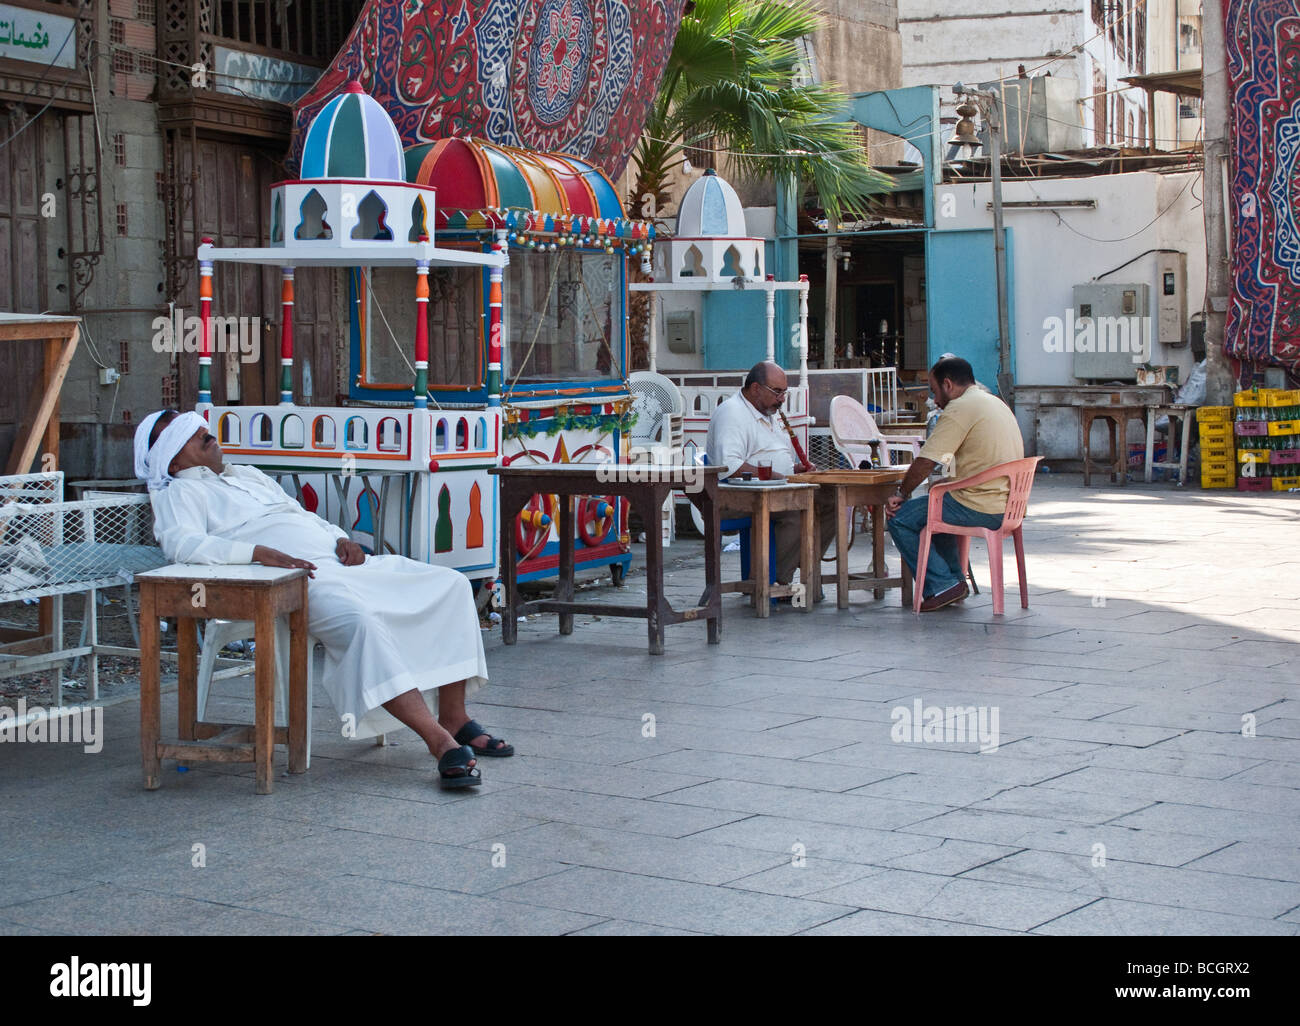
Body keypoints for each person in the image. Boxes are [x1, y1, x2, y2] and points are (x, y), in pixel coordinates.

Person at [134, 408, 514, 789]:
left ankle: (455, 716)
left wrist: (340, 537)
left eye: (200, 427)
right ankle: (439, 741)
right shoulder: (180, 491)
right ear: (168, 455)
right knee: (360, 622)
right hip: (295, 579)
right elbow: (180, 544)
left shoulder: (246, 475)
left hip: (340, 562)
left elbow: (301, 515)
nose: (204, 432)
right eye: (184, 432)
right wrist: (256, 553)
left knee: (450, 585)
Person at [885, 356, 1024, 611]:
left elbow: (927, 460)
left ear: (948, 385)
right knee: (936, 506)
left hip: (981, 506)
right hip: (1009, 506)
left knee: (900, 518)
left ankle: (942, 585)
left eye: (935, 392)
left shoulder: (960, 407)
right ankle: (953, 583)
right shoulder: (993, 402)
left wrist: (901, 493)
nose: (935, 401)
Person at [705, 361, 833, 590]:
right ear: (756, 389)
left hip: (775, 489)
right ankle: (775, 581)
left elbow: (772, 456)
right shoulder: (732, 413)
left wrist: (794, 470)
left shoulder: (767, 412)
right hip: (736, 497)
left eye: (785, 392)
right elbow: (729, 466)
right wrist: (774, 476)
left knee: (832, 501)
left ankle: (799, 563)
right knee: (796, 511)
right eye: (777, 392)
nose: (782, 398)